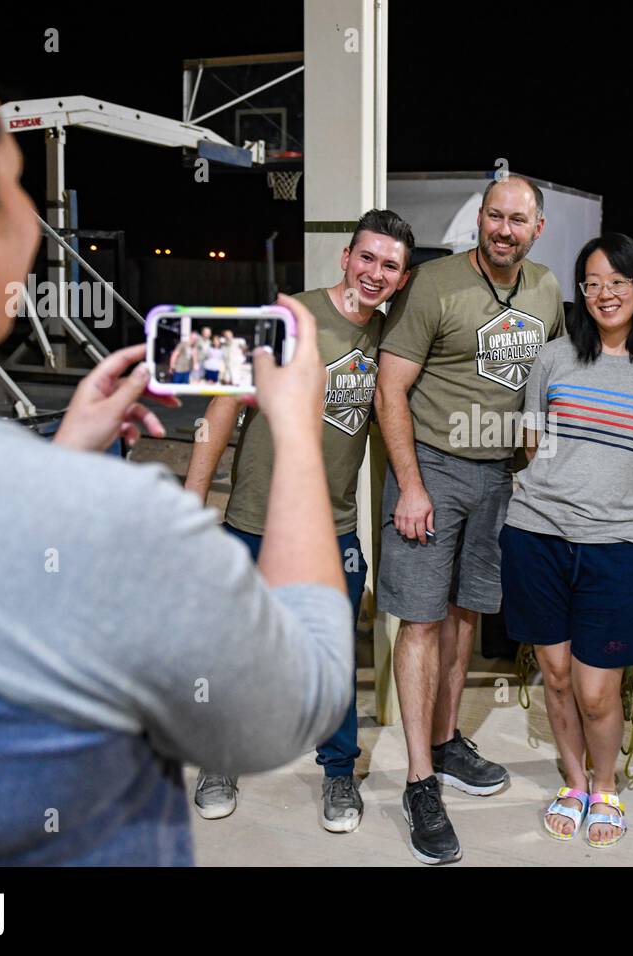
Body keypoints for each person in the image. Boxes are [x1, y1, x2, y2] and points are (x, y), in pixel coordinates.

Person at [0, 1, 353, 865]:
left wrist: (62, 456)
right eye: (13, 178)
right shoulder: (115, 521)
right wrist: (298, 434)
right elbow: (295, 700)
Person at [182, 209, 415, 831]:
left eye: (389, 265)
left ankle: (339, 774)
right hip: (254, 517)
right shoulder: (287, 317)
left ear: (401, 277)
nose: (375, 273)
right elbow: (223, 407)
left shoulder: (390, 342)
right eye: (367, 258)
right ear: (346, 256)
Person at [375, 174, 565, 864]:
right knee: (421, 619)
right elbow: (389, 388)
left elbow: (551, 382)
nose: (504, 229)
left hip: (500, 476)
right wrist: (410, 485)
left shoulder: (546, 290)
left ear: (537, 228)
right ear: (479, 220)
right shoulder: (434, 285)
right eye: (494, 216)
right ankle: (420, 783)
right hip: (434, 467)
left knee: (463, 614)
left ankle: (448, 741)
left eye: (518, 219)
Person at [500, 234, 633, 849]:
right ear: (581, 293)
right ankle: (575, 783)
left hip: (616, 548)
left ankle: (606, 787)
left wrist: (624, 506)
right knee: (554, 675)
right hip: (537, 535)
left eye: (618, 282)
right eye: (592, 283)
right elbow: (533, 444)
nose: (605, 293)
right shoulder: (553, 360)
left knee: (597, 687)